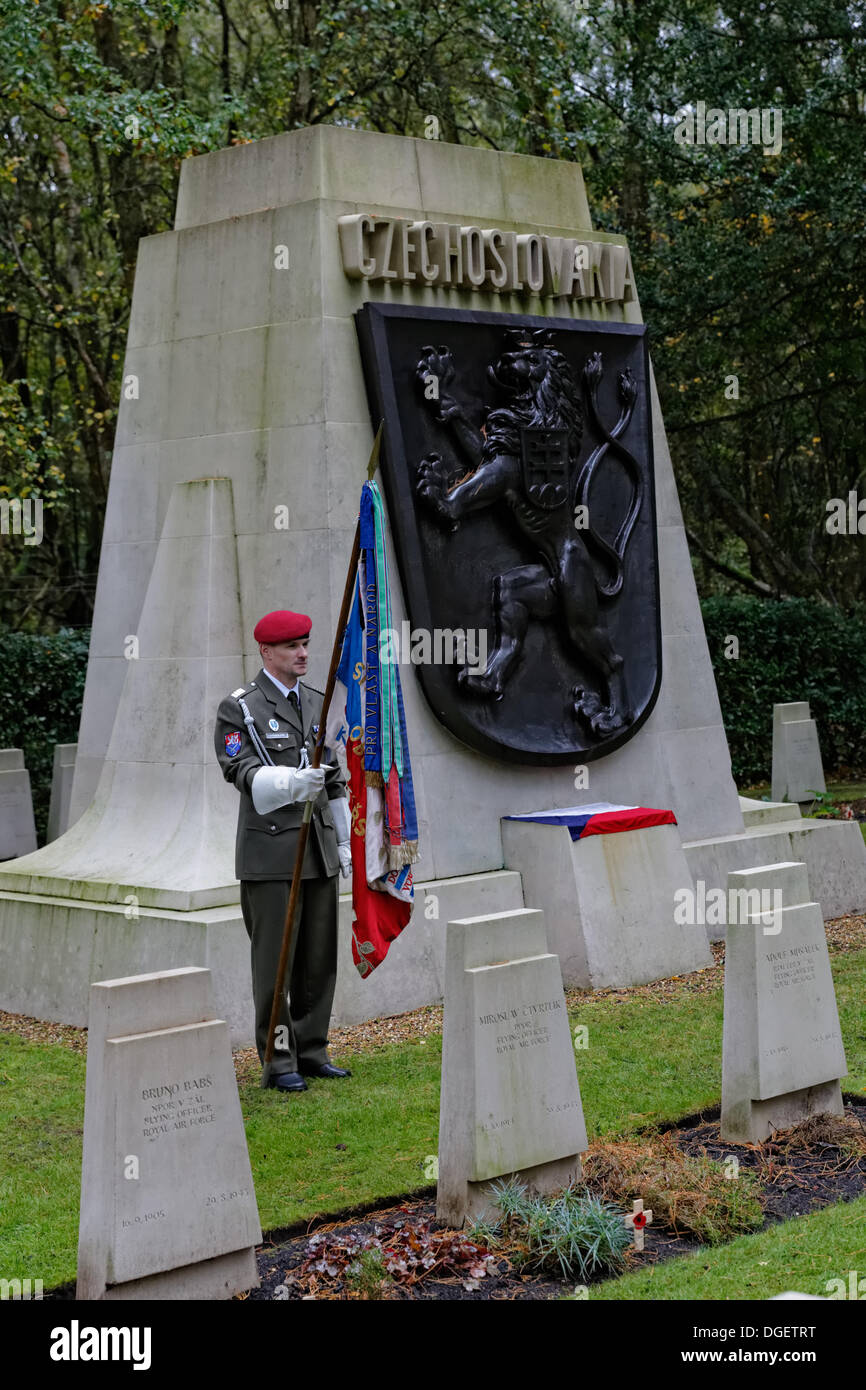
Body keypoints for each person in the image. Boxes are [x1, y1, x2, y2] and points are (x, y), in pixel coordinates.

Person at [214, 609, 353, 1093]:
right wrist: (292, 782)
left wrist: (344, 835)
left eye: (306, 644)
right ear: (267, 652)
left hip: (316, 848)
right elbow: (241, 772)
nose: (303, 654)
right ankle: (278, 1060)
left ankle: (313, 1049)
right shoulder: (241, 708)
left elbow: (332, 773)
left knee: (319, 958)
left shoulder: (314, 703)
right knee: (276, 961)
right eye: (292, 646)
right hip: (272, 855)